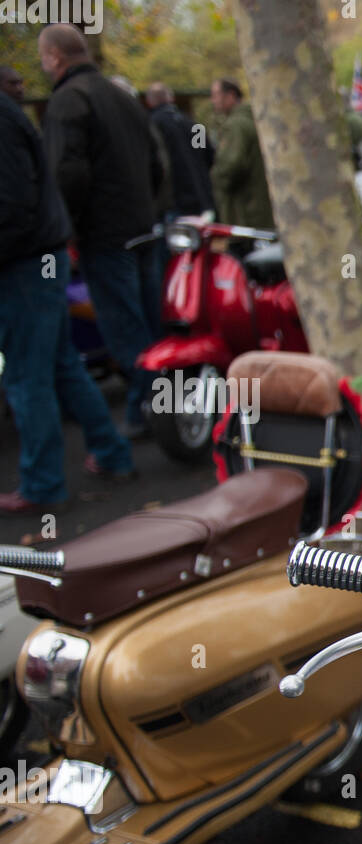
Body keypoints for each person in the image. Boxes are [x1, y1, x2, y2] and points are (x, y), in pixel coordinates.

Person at [1, 84, 134, 514]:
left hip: (24, 263)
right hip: (39, 256)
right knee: (60, 366)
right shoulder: (12, 113)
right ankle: (112, 453)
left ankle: (43, 485)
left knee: (27, 376)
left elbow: (12, 203)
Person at [39, 24, 166, 439]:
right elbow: (156, 164)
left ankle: (152, 414)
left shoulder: (67, 102)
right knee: (149, 325)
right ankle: (153, 411)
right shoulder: (124, 98)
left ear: (55, 57)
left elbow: (67, 173)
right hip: (143, 229)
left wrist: (67, 228)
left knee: (126, 332)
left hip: (107, 238)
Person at [209, 78, 273, 230]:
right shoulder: (255, 120)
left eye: (216, 95)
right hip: (261, 208)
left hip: (244, 211)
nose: (213, 101)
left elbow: (231, 165)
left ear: (231, 95)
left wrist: (214, 177)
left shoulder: (235, 125)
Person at [145, 82, 215, 217]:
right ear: (171, 99)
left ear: (149, 101)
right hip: (201, 197)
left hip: (175, 200)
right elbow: (208, 158)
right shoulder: (195, 125)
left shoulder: (152, 125)